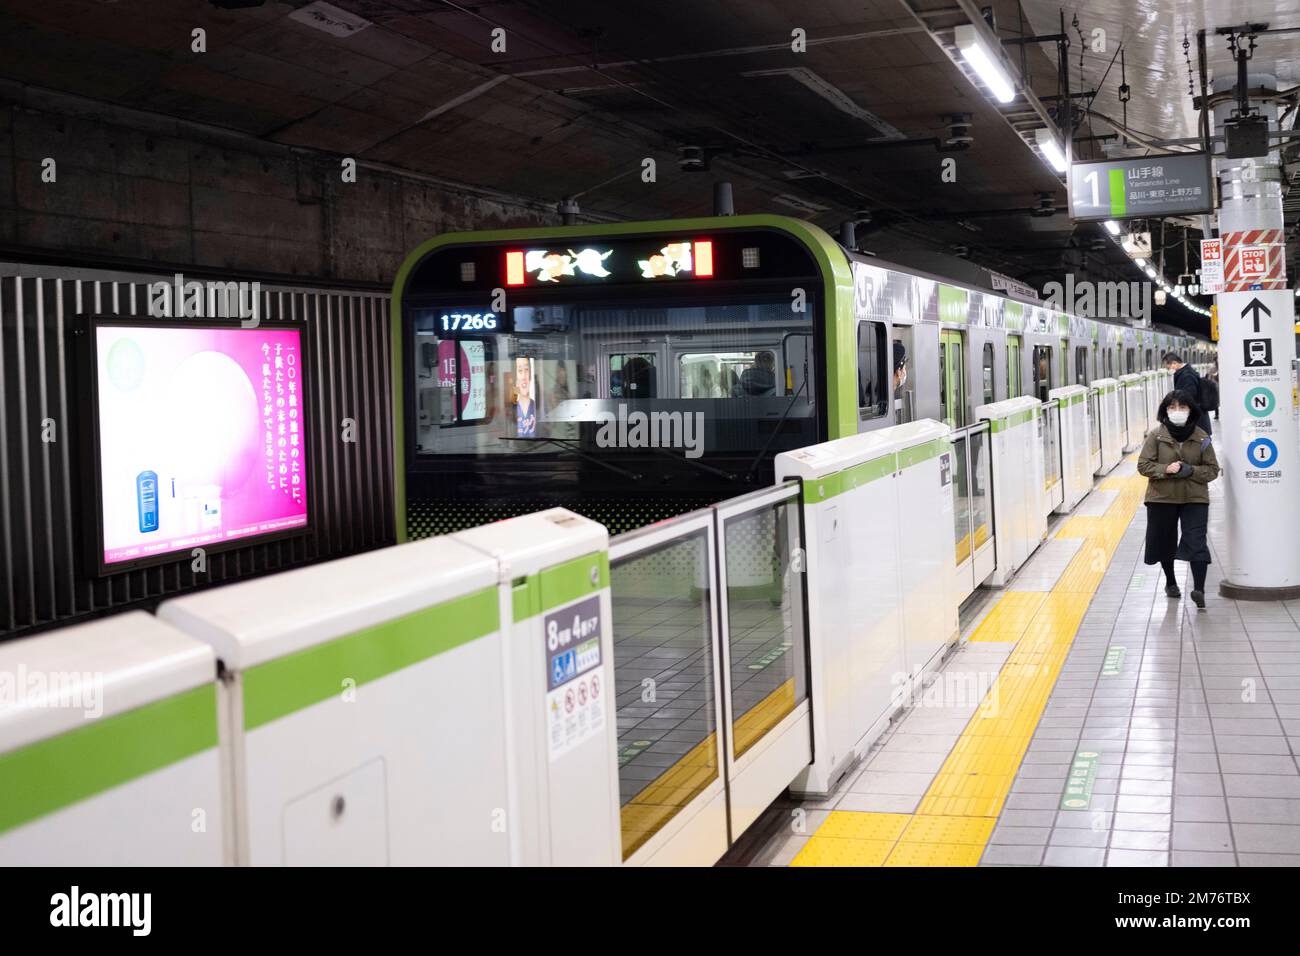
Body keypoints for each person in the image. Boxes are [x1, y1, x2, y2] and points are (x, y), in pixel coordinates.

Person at [1137, 389, 1220, 608]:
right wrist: (1167, 469)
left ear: (1191, 410)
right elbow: (1143, 465)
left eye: (1182, 407)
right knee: (1165, 541)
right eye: (1172, 407)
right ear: (1165, 410)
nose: (1177, 411)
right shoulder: (1156, 436)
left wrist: (1190, 470)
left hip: (1195, 498)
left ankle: (1199, 589)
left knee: (1197, 542)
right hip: (1161, 498)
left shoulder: (1201, 437)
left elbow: (1213, 470)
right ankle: (1171, 582)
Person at [1161, 351, 1211, 435]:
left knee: (1200, 446)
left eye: (1168, 368)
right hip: (1196, 421)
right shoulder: (1184, 373)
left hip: (1197, 423)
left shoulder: (1187, 375)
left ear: (1174, 363)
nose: (1168, 370)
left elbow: (1189, 396)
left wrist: (1171, 401)